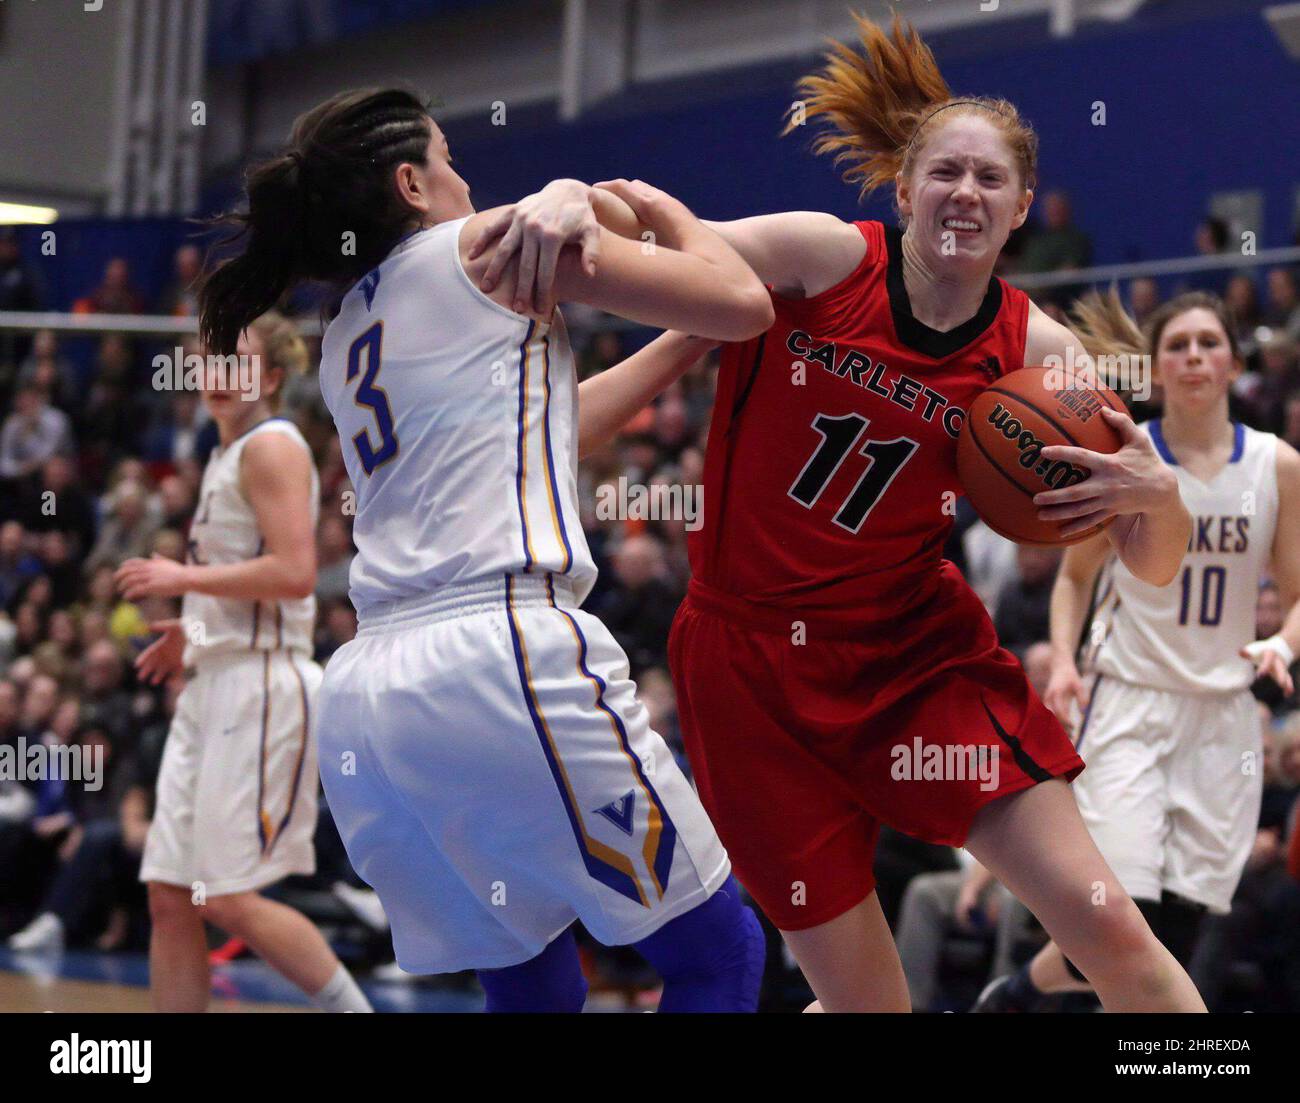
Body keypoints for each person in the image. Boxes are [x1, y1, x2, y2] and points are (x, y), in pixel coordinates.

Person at [479, 13, 1203, 1012]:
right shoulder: (817, 259)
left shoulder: (1044, 360)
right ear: (903, 189)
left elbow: (1154, 563)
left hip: (913, 658)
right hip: (748, 672)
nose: (964, 193)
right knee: (869, 1002)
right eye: (944, 173)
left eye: (990, 180)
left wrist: (1157, 498)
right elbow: (644, 243)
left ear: (1022, 207)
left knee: (1113, 932)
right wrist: (565, 196)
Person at [197, 87, 773, 1012]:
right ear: (411, 183)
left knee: (533, 981)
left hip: (377, 694)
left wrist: (673, 346)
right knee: (720, 954)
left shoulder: (350, 330)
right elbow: (745, 301)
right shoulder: (488, 245)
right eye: (450, 157)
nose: (468, 174)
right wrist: (669, 214)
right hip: (500, 654)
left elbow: (546, 427)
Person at [974, 290, 1300, 1011]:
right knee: (1120, 924)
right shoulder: (1124, 455)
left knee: (1174, 936)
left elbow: (1299, 591)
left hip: (1224, 715)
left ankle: (1024, 994)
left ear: (1234, 363)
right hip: (1132, 698)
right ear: (1154, 368)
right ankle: (1041, 1004)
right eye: (1177, 344)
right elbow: (1075, 576)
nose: (1193, 355)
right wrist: (1062, 659)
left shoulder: (1277, 466)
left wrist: (1282, 638)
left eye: (1208, 343)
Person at [112, 311, 372, 1013]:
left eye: (238, 359)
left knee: (226, 896)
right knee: (170, 893)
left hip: (263, 686)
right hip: (216, 676)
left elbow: (293, 572)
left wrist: (182, 581)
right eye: (212, 358)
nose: (221, 372)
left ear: (272, 377)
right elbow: (243, 585)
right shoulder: (223, 455)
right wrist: (190, 633)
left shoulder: (272, 445)